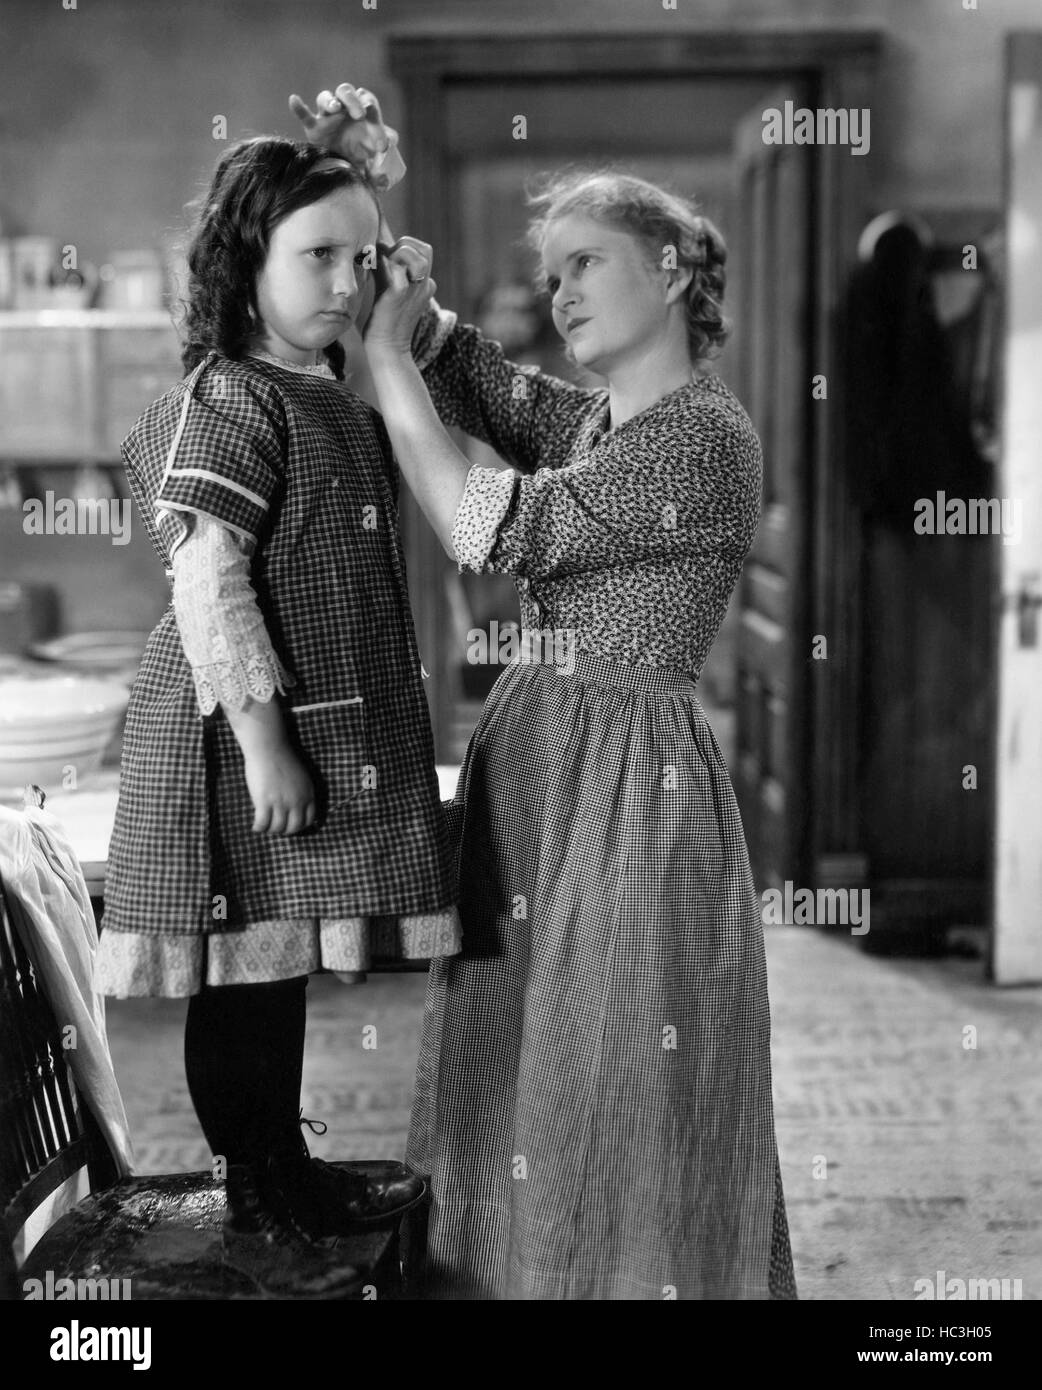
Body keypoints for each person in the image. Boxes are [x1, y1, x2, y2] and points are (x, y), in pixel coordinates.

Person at [298, 82, 798, 1301]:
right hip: (546, 756)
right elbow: (476, 374)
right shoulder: (603, 425)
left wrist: (379, 364)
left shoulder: (699, 437)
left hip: (634, 780)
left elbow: (484, 522)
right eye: (554, 271)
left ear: (674, 270)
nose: (563, 291)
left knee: (618, 1059)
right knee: (515, 1057)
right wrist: (375, 217)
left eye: (588, 263)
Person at [94, 134, 462, 1298]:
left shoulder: (322, 390)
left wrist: (384, 264)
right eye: (317, 256)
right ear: (244, 259)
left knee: (276, 968)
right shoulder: (235, 399)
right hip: (234, 741)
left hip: (301, 732)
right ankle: (252, 1185)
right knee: (244, 975)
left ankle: (285, 1171)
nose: (346, 284)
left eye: (363, 257)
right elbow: (207, 579)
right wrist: (264, 743)